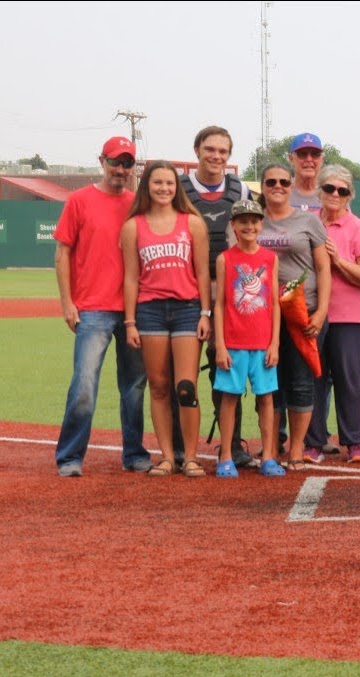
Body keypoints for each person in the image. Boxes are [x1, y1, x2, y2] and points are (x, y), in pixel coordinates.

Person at [53, 136, 150, 477]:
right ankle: (69, 456)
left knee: (135, 386)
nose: (120, 169)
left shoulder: (138, 203)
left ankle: (135, 453)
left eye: (127, 164)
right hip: (92, 307)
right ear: (102, 161)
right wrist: (67, 303)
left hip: (132, 310)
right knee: (84, 384)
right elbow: (62, 253)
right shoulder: (79, 200)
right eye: (115, 162)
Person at [121, 160, 211, 478]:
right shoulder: (134, 226)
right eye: (157, 183)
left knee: (185, 386)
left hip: (187, 309)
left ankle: (191, 457)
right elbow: (131, 278)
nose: (164, 188)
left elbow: (202, 273)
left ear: (177, 187)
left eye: (169, 183)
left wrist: (205, 313)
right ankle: (167, 457)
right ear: (147, 186)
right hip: (150, 311)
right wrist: (130, 322)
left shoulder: (192, 223)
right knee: (158, 387)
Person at [178, 125, 256, 468]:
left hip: (228, 294)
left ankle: (232, 444)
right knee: (180, 373)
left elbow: (252, 240)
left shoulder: (240, 190)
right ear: (197, 150)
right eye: (210, 149)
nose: (216, 156)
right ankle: (181, 449)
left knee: (226, 369)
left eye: (223, 151)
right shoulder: (177, 189)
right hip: (183, 291)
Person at [258, 162, 331, 471]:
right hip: (260, 314)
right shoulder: (251, 221)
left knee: (301, 381)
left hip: (304, 311)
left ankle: (297, 448)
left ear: (291, 186)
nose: (278, 186)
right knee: (269, 382)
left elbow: (324, 267)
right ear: (261, 186)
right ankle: (271, 447)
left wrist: (322, 311)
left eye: (284, 182)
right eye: (271, 181)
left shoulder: (308, 221)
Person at [303, 165, 360, 463]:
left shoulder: (358, 228)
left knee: (349, 380)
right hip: (311, 314)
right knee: (313, 379)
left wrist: (338, 260)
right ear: (319, 190)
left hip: (349, 315)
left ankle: (355, 442)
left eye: (342, 190)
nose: (335, 194)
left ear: (350, 196)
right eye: (329, 188)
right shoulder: (306, 223)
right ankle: (313, 443)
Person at [212, 199, 285, 478]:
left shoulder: (269, 258)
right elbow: (220, 304)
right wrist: (220, 344)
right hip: (233, 343)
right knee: (229, 398)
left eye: (254, 221)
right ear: (233, 225)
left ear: (261, 224)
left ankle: (268, 455)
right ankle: (226, 456)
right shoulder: (225, 259)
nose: (249, 226)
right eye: (243, 221)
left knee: (266, 399)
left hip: (263, 344)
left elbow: (275, 304)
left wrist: (275, 342)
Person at [288, 132, 325, 213]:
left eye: (315, 154)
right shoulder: (281, 192)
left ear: (321, 160)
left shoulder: (332, 193)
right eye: (302, 154)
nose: (309, 159)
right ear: (291, 159)